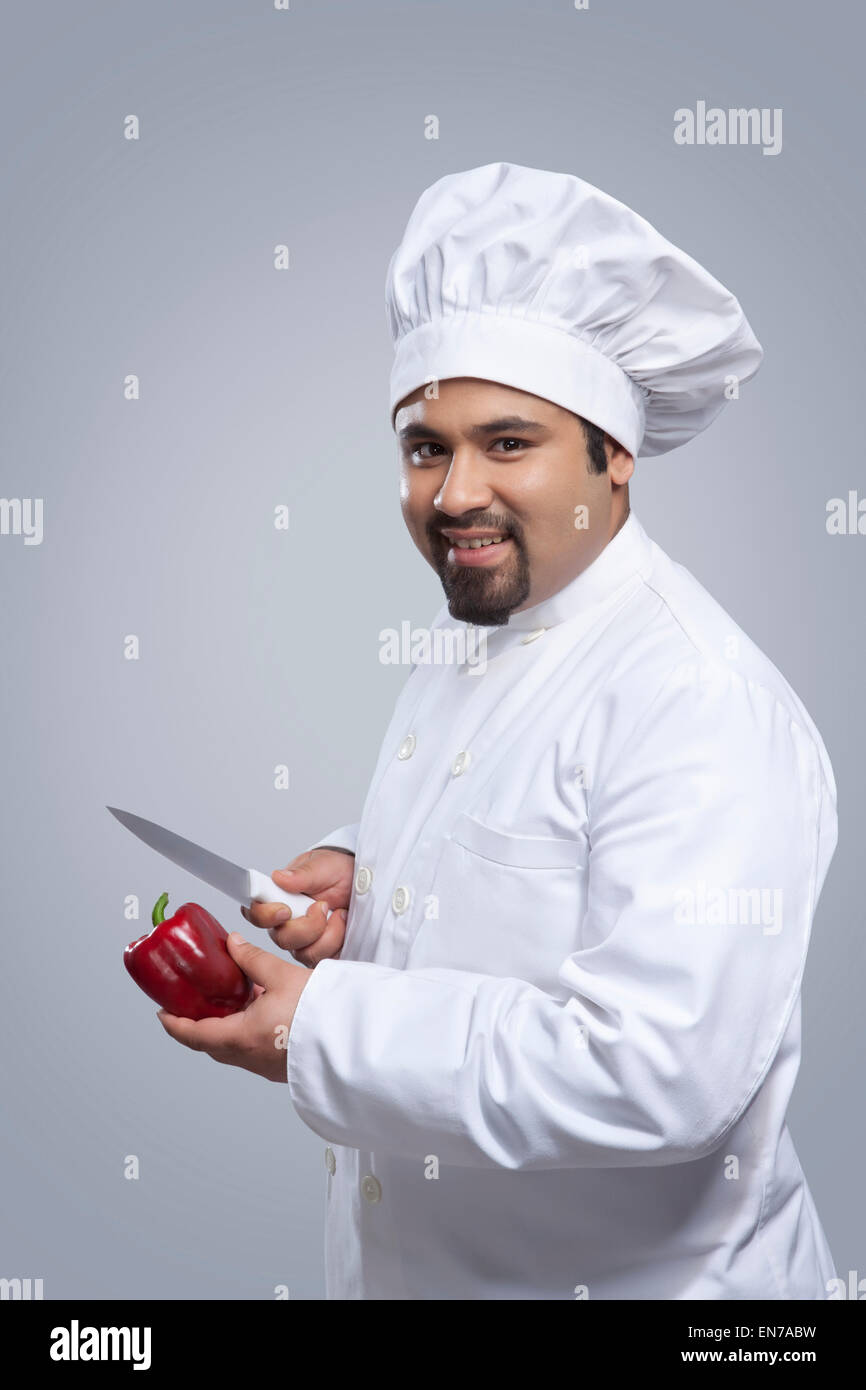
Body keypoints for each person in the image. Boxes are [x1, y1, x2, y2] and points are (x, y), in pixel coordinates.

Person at [159, 162, 838, 1300]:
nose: (454, 493)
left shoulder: (698, 702)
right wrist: (370, 884)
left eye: (506, 443)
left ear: (611, 457)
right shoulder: (486, 618)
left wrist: (317, 1030)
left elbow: (655, 1074)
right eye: (426, 446)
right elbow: (527, 842)